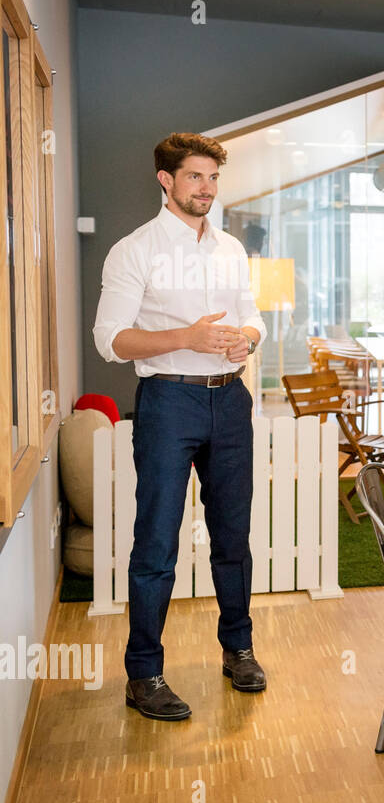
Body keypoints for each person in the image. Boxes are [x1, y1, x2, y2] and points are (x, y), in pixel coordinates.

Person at [92, 132, 267, 720]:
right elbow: (110, 341)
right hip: (167, 402)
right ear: (164, 179)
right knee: (158, 542)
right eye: (195, 176)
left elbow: (251, 317)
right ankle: (143, 674)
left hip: (230, 401)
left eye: (213, 178)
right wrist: (187, 338)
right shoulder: (133, 250)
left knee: (233, 537)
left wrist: (245, 338)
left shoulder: (231, 249)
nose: (206, 188)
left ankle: (238, 649)